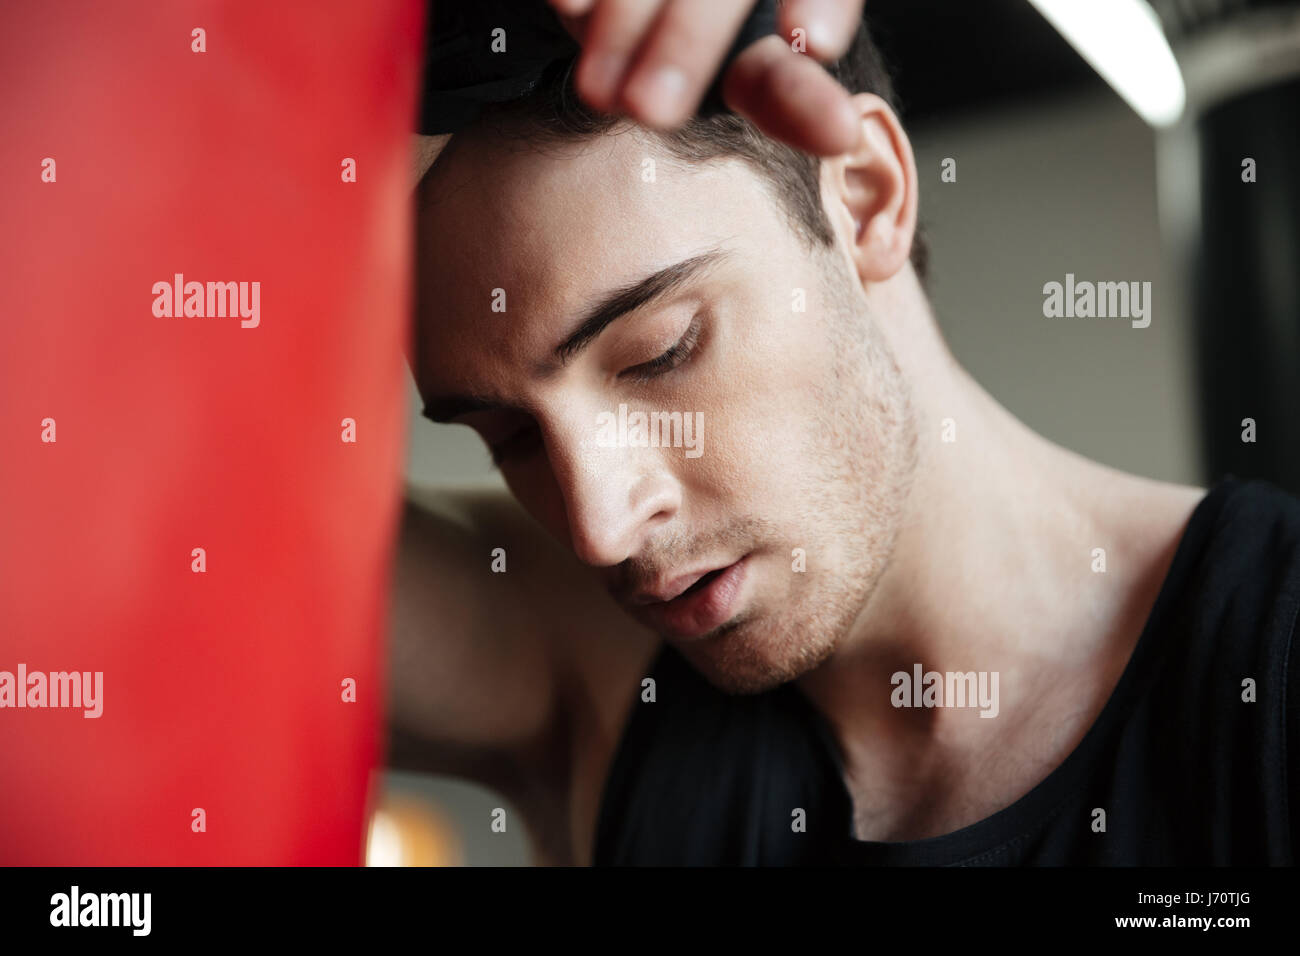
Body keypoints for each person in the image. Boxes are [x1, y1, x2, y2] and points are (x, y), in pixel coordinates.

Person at [390, 0, 1300, 865]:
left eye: (660, 353)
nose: (602, 527)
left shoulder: (1269, 652)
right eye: (507, 434)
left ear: (866, 197)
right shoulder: (588, 664)